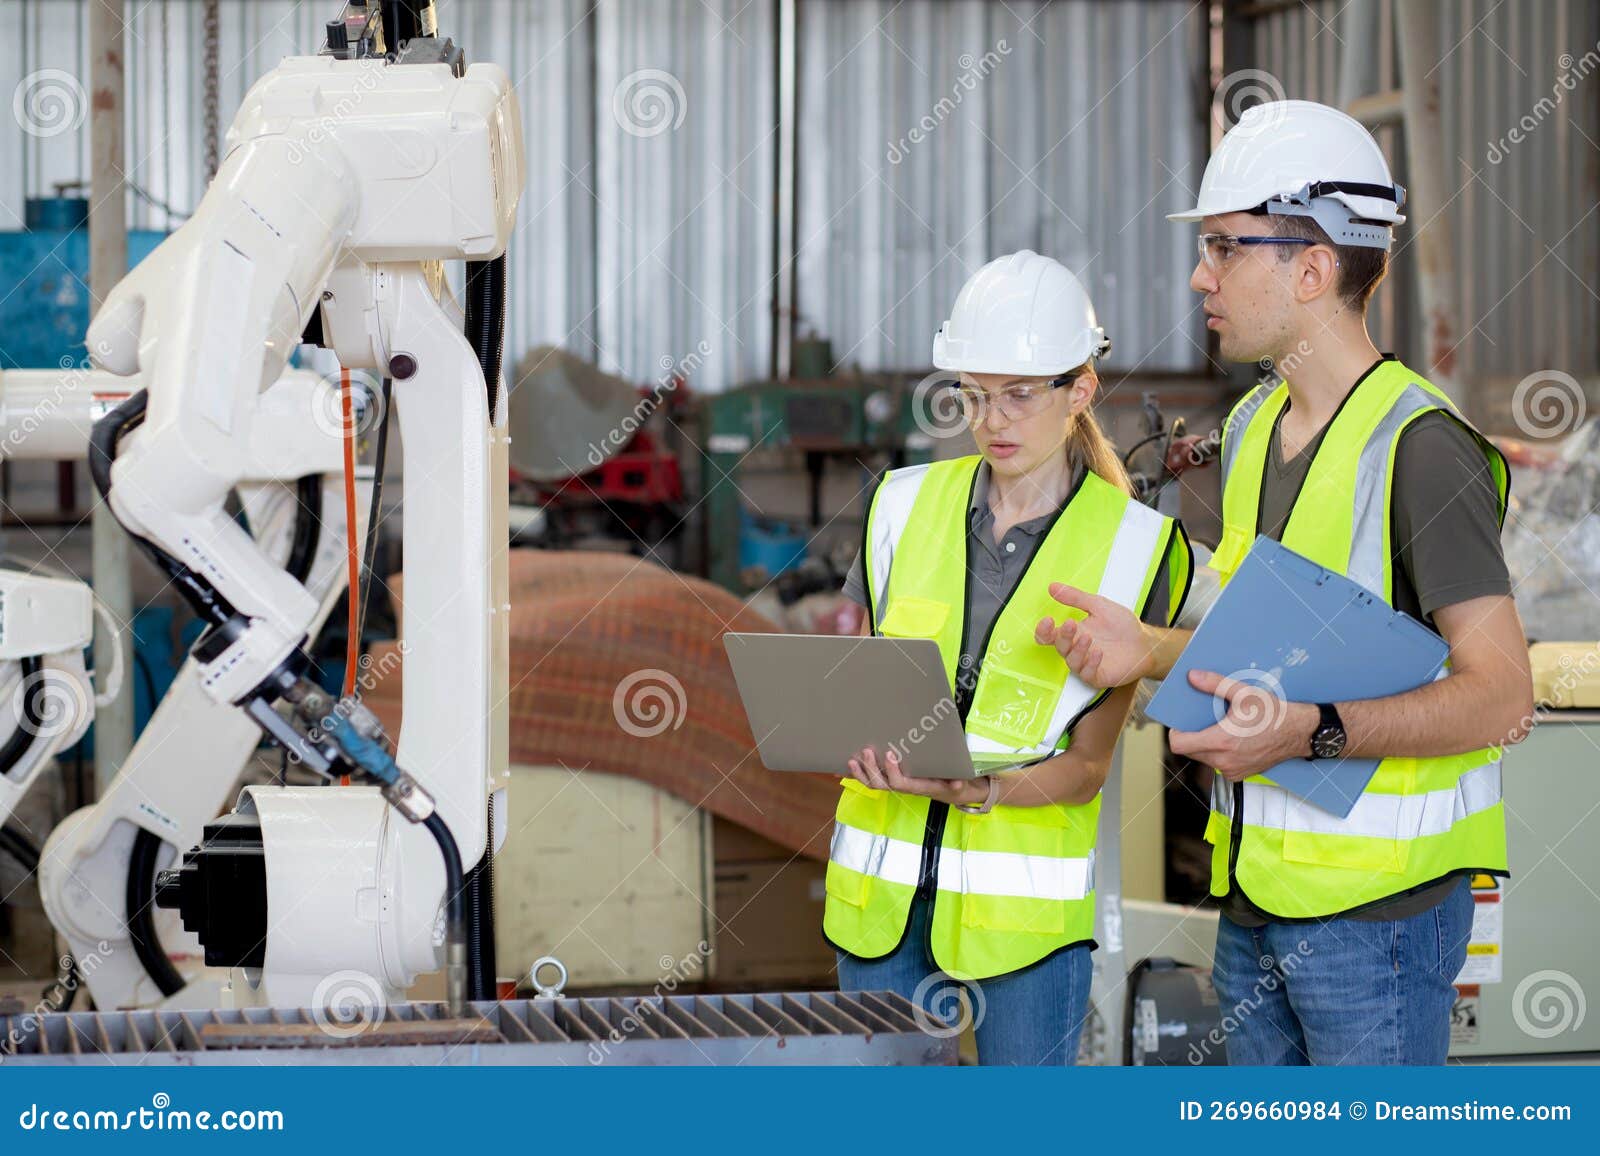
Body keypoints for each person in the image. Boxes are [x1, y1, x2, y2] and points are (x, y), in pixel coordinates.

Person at [1035, 101, 1534, 1065]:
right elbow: (1248, 648)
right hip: (1256, 898)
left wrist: (1316, 732)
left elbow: (1502, 694)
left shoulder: (1424, 450)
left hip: (1379, 922)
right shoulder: (1255, 433)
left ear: (1312, 268)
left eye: (1225, 248)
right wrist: (1149, 651)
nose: (1199, 276)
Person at [826, 250, 1193, 1065]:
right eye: (975, 395)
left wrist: (979, 789)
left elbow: (1089, 767)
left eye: (1021, 395)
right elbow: (861, 685)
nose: (993, 420)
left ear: (1080, 393)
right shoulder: (900, 504)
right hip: (880, 905)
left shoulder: (1137, 548)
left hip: (1022, 923)